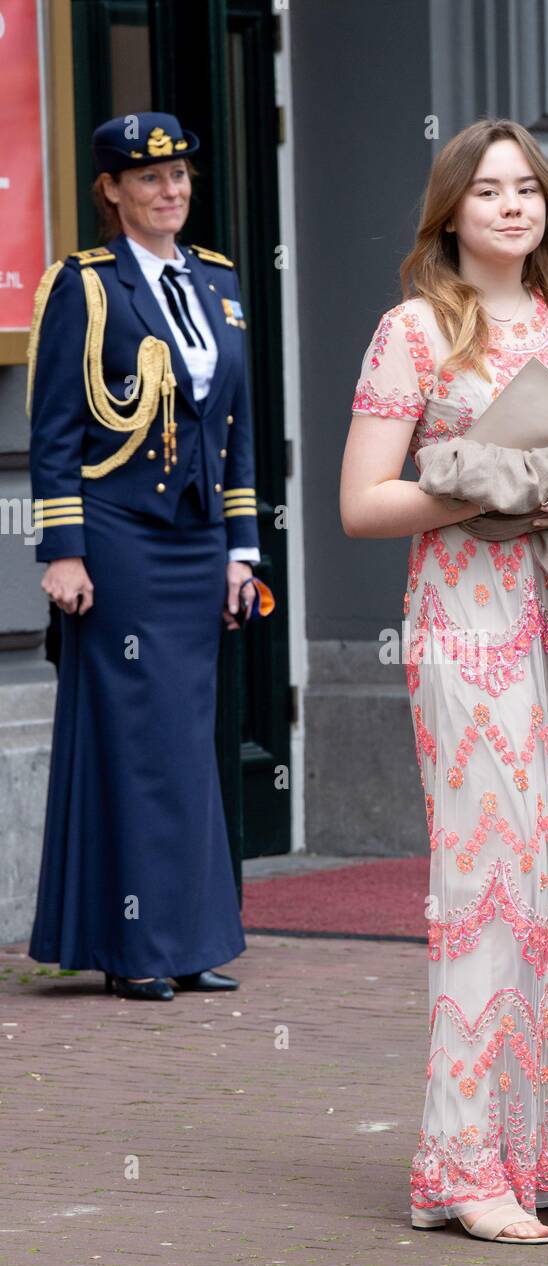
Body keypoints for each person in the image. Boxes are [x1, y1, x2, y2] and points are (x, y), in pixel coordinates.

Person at [341, 118, 548, 1244]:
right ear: (450, 212)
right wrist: (483, 489)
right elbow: (363, 505)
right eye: (489, 190)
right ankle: (462, 1167)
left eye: (528, 191)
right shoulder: (412, 332)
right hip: (463, 620)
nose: (513, 207)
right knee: (490, 884)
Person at [26, 111, 263, 1001]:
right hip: (119, 535)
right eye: (151, 178)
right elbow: (54, 431)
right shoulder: (84, 286)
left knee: (188, 739)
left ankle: (190, 938)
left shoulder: (219, 282)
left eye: (181, 177)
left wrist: (243, 551)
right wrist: (64, 551)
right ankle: (134, 948)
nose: (172, 191)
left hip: (199, 539)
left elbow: (236, 429)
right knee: (135, 737)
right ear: (113, 191)